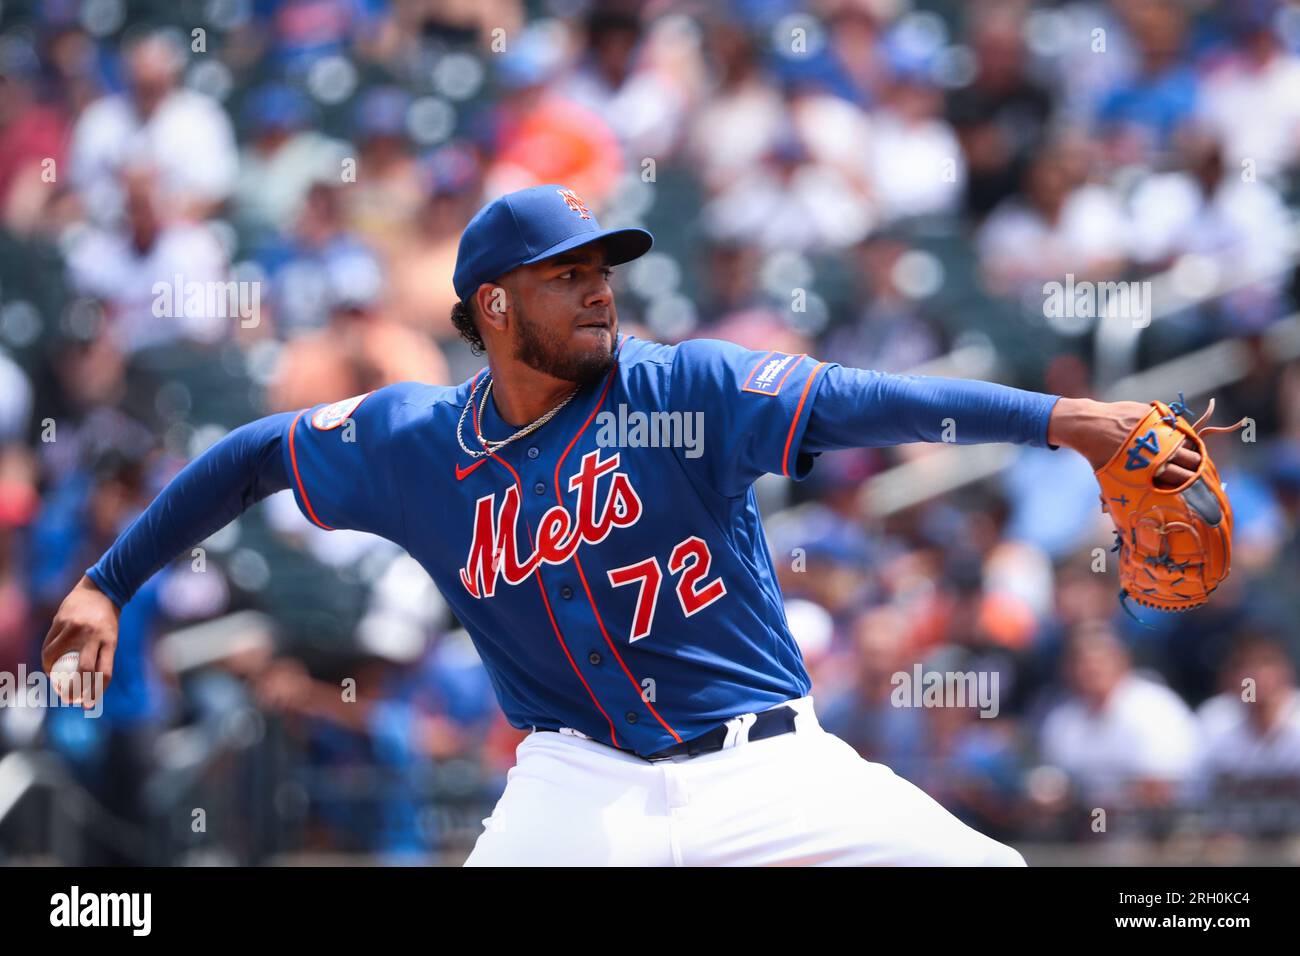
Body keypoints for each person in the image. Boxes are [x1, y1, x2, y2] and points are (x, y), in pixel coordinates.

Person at [44, 184, 1204, 866]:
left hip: (771, 768)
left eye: (606, 267)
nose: (602, 288)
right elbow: (250, 456)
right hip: (576, 786)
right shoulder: (411, 445)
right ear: (494, 307)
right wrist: (106, 580)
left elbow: (872, 399)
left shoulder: (681, 391)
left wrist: (1067, 419)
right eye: (568, 275)